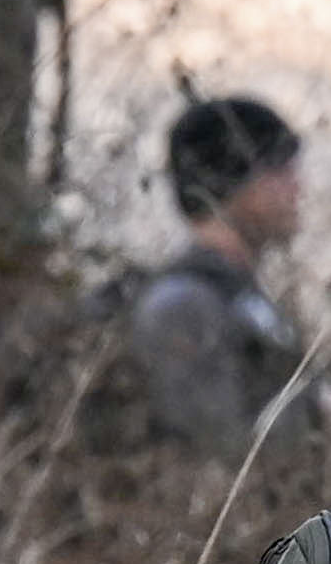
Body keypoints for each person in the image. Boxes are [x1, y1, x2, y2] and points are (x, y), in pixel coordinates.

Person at [122, 94, 314, 450]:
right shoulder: (185, 306)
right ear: (233, 180)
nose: (297, 188)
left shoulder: (240, 296)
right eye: (279, 170)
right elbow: (213, 455)